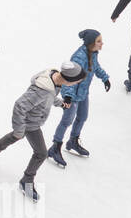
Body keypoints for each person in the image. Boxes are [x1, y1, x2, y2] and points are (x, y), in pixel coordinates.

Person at [0, 62, 86, 202]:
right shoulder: (42, 90)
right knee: (41, 153)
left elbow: (48, 98)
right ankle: (27, 180)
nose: (76, 84)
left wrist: (60, 103)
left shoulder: (53, 76)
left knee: (14, 137)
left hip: (31, 119)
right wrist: (20, 129)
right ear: (69, 80)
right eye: (77, 81)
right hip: (31, 122)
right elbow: (20, 105)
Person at [47, 30, 111, 165]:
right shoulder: (79, 57)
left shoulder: (92, 54)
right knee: (67, 121)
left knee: (82, 117)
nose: (102, 44)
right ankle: (55, 147)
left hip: (82, 92)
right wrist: (69, 97)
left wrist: (105, 79)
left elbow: (96, 67)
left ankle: (73, 141)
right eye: (99, 41)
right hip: (72, 95)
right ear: (91, 43)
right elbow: (69, 77)